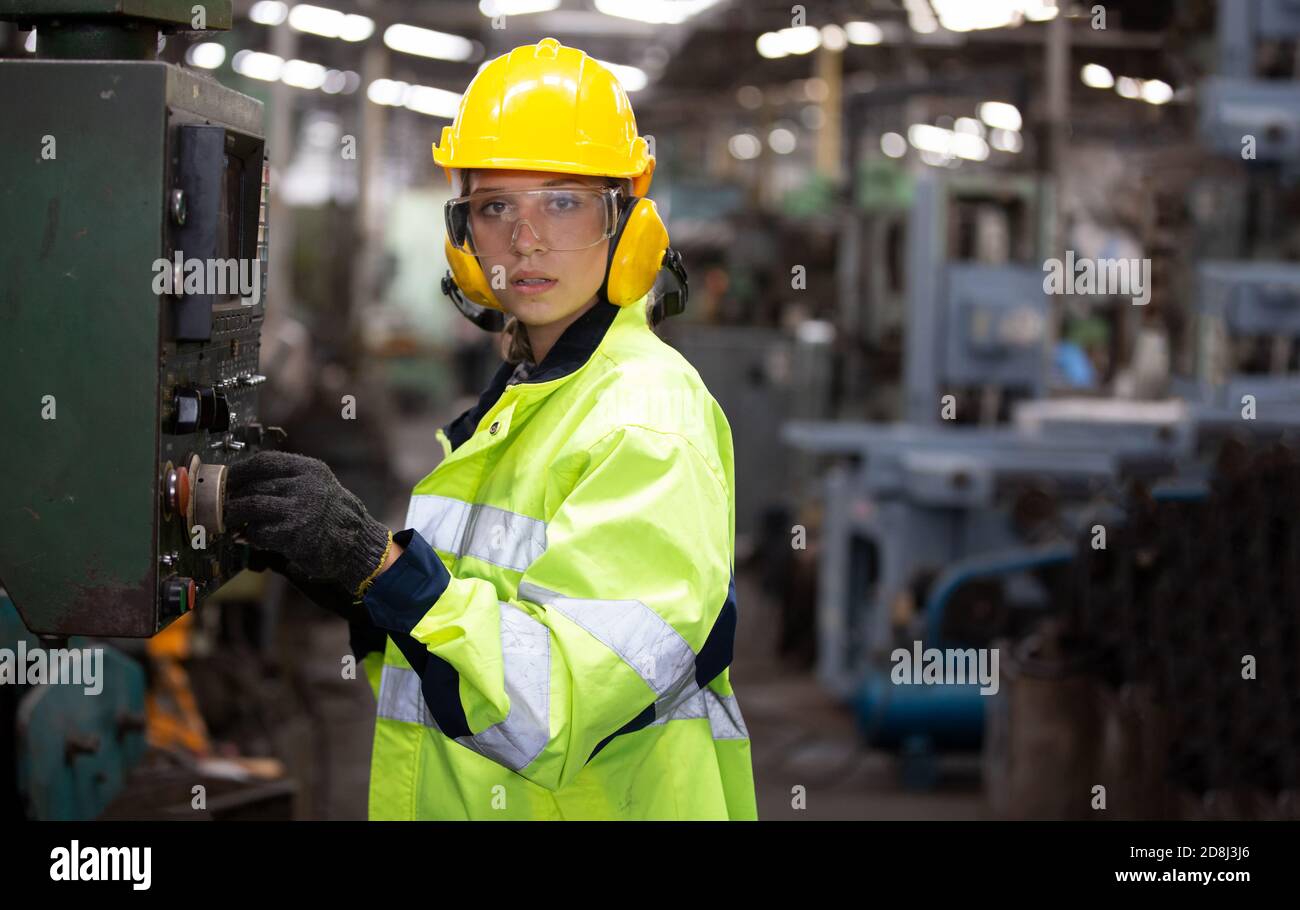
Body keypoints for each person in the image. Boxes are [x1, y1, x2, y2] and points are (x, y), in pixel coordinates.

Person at [226, 37, 757, 820]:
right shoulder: (530, 394)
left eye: (564, 201)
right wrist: (352, 582)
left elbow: (551, 708)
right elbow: (460, 656)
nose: (527, 239)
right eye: (496, 206)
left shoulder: (646, 417)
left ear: (629, 220)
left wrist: (378, 566)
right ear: (465, 235)